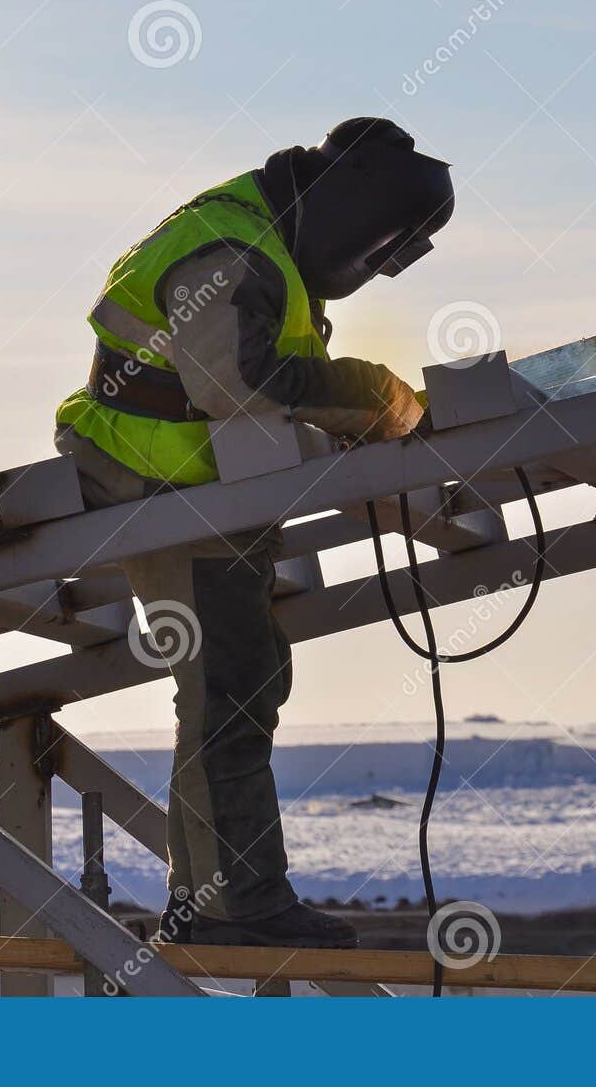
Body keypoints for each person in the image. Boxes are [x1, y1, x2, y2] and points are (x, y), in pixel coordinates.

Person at [55, 117, 454, 948]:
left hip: (192, 485)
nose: (372, 271)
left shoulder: (259, 237)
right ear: (352, 213)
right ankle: (235, 906)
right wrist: (376, 396)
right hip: (160, 481)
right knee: (228, 686)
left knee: (244, 679)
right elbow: (242, 379)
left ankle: (214, 898)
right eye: (377, 253)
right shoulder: (232, 250)